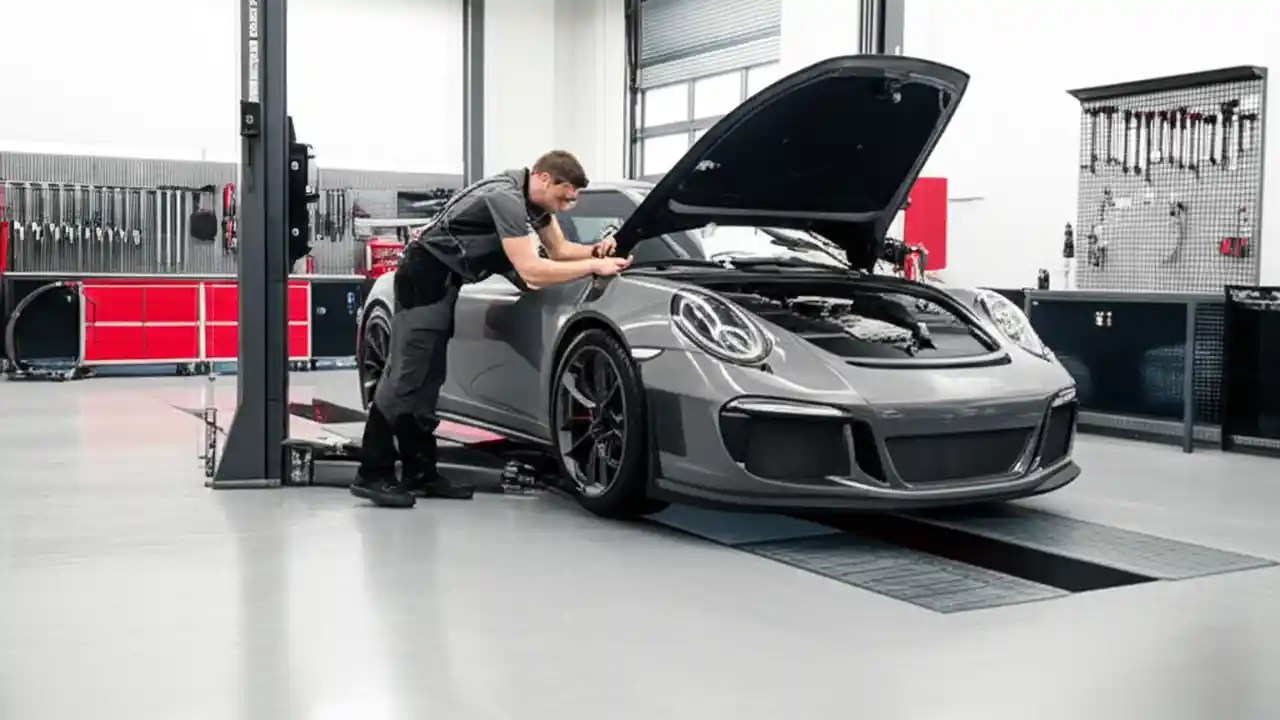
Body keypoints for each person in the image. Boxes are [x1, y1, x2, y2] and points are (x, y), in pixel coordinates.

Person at [351, 150, 631, 508]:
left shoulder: (535, 204)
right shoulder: (505, 197)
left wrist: (598, 252)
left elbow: (559, 251)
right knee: (407, 376)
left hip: (445, 281)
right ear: (545, 179)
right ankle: (372, 473)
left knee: (430, 378)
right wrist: (595, 266)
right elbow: (531, 271)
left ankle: (420, 473)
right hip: (424, 276)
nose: (566, 206)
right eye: (565, 197)